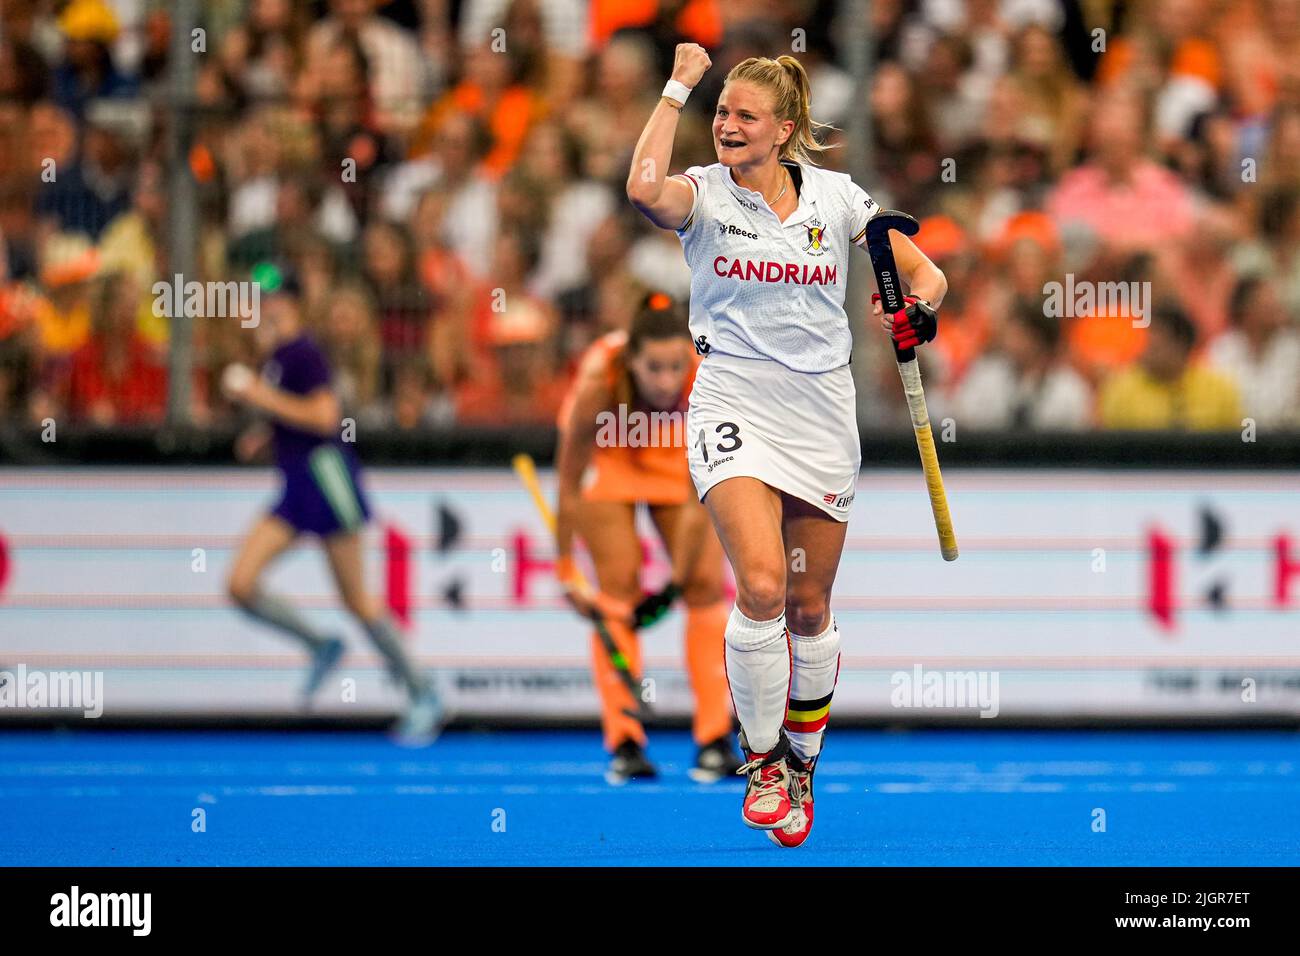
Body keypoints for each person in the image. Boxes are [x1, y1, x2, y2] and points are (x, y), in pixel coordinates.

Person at [627, 47, 947, 846]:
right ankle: (761, 757)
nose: (727, 126)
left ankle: (803, 763)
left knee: (810, 606)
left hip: (821, 411)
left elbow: (925, 276)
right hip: (733, 400)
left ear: (785, 131)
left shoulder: (837, 199)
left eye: (744, 116)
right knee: (764, 587)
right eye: (722, 113)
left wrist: (918, 315)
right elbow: (641, 187)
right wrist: (677, 88)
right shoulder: (701, 194)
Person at [221, 264, 442, 743]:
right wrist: (267, 433)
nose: (264, 308)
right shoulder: (279, 355)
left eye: (272, 299)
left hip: (327, 480)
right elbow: (299, 415)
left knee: (359, 599)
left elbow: (324, 417)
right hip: (297, 483)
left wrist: (259, 396)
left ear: (293, 304)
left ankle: (423, 691)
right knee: (239, 584)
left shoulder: (302, 351)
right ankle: (321, 643)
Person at [553, 291, 739, 784]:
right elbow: (569, 482)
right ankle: (626, 740)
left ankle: (714, 738)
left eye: (675, 366)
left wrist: (676, 582)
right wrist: (565, 567)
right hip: (610, 463)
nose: (666, 380)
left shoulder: (707, 372)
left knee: (703, 583)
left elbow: (707, 493)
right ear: (631, 360)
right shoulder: (600, 380)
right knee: (619, 583)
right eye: (653, 368)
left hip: (676, 464)